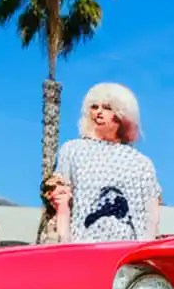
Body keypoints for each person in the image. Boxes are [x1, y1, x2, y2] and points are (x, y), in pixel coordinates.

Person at [45, 83, 162, 243]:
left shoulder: (141, 163)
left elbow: (150, 217)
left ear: (122, 114)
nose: (99, 113)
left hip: (127, 253)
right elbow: (61, 202)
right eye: (94, 107)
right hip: (82, 247)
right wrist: (64, 241)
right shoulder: (73, 150)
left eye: (107, 107)